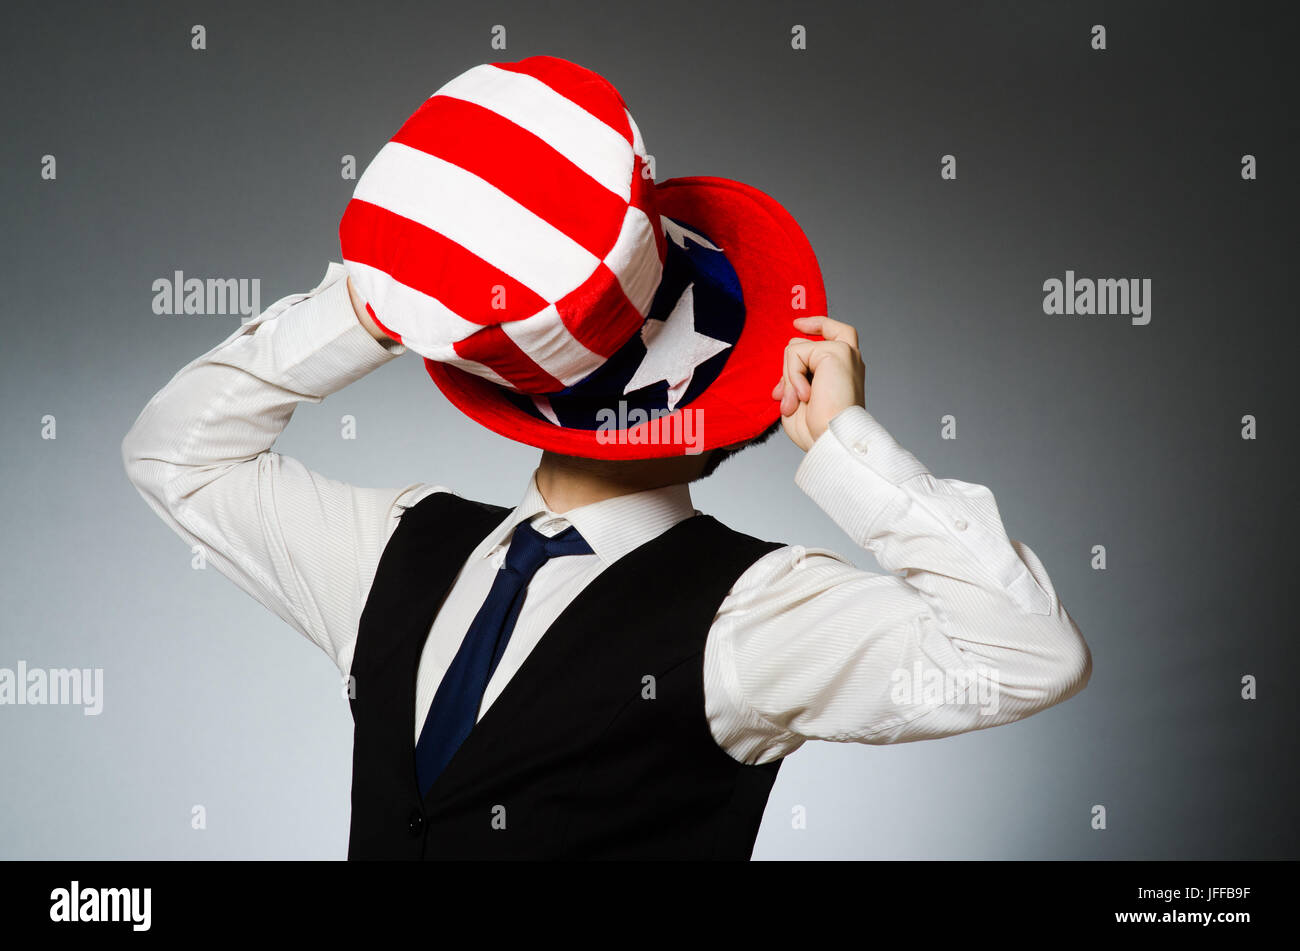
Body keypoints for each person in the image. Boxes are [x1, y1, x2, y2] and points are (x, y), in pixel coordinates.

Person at [121, 56, 1091, 860]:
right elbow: (174, 456)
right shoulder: (396, 551)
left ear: (510, 381)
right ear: (727, 393)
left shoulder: (752, 616)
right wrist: (382, 295)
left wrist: (850, 450)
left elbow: (1027, 655)